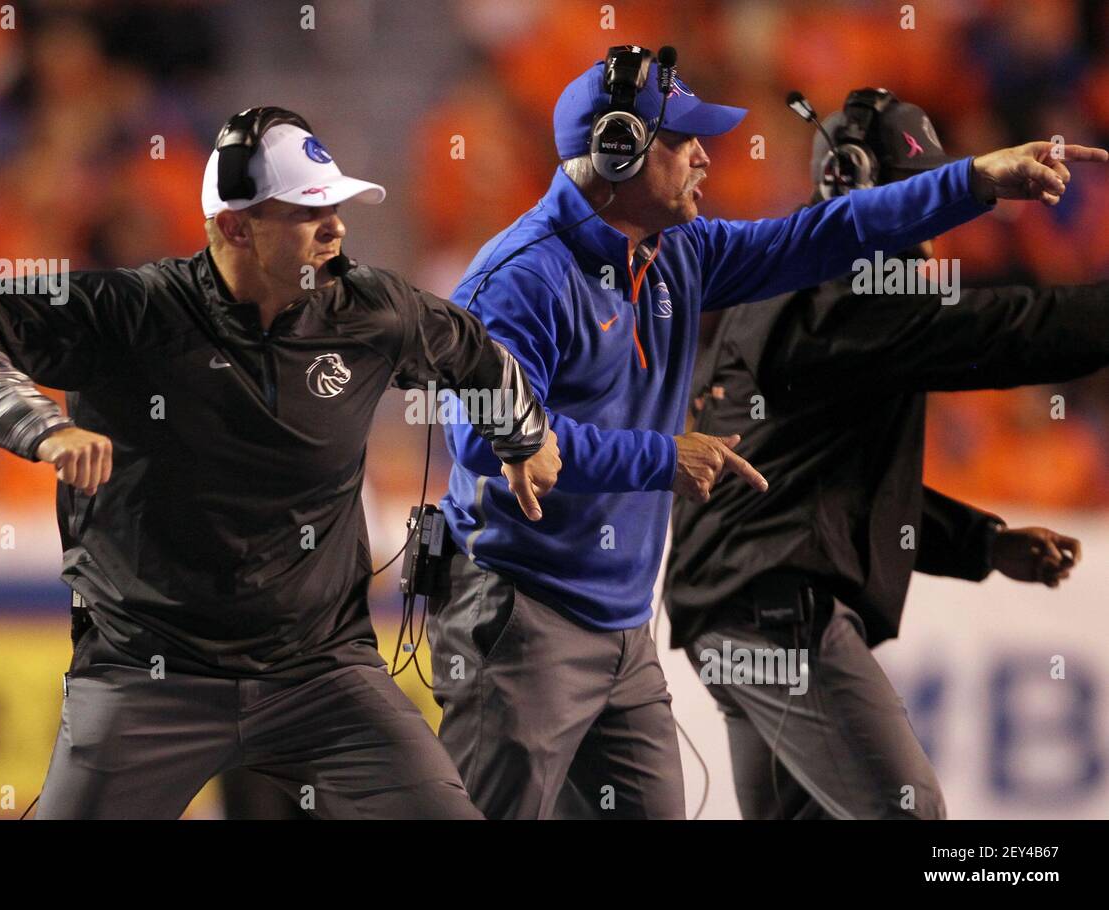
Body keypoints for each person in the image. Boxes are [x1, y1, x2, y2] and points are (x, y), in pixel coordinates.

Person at [427, 44, 1107, 820]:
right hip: (522, 613)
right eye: (681, 141)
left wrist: (977, 184)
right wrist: (660, 458)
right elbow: (487, 442)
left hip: (623, 627)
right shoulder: (519, 278)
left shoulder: (677, 250)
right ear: (617, 151)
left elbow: (822, 234)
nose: (703, 158)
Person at [0, 107, 561, 820]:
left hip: (322, 676)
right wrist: (39, 426)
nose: (336, 227)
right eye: (310, 211)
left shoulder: (373, 311)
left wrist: (522, 436)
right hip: (148, 679)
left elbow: (472, 353)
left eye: (335, 205)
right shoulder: (133, 312)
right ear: (236, 226)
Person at [664, 89, 1104, 819]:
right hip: (772, 607)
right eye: (925, 200)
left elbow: (815, 483)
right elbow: (1015, 330)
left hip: (737, 606)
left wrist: (985, 543)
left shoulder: (799, 290)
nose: (939, 229)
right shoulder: (841, 298)